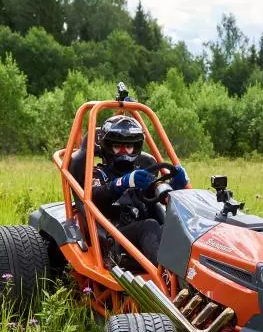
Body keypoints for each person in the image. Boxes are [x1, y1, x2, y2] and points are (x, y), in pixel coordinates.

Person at [72, 114, 188, 266]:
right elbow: (95, 198)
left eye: (128, 146)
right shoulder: (98, 173)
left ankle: (194, 275)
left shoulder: (142, 173)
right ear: (107, 147)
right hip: (112, 240)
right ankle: (167, 276)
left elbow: (155, 198)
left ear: (136, 147)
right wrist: (122, 183)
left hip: (144, 237)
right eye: (117, 146)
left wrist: (176, 186)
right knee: (150, 225)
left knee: (176, 226)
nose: (124, 152)